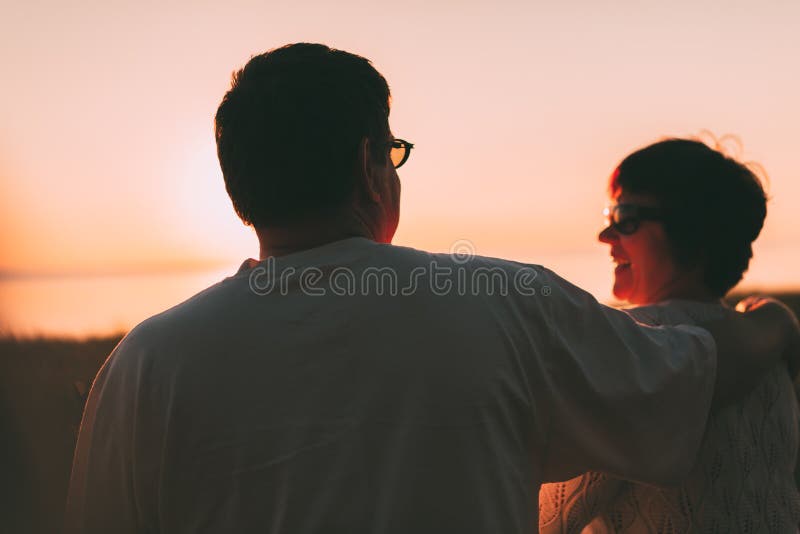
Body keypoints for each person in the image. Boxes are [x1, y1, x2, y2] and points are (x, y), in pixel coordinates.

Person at [65, 44, 798, 534]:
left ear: (237, 190)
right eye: (393, 151)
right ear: (368, 163)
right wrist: (772, 324)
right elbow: (694, 369)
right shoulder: (505, 308)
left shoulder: (143, 366)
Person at [539, 138, 800, 533]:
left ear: (692, 229)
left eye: (625, 216)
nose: (606, 236)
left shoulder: (637, 342)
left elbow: (545, 516)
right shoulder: (765, 351)